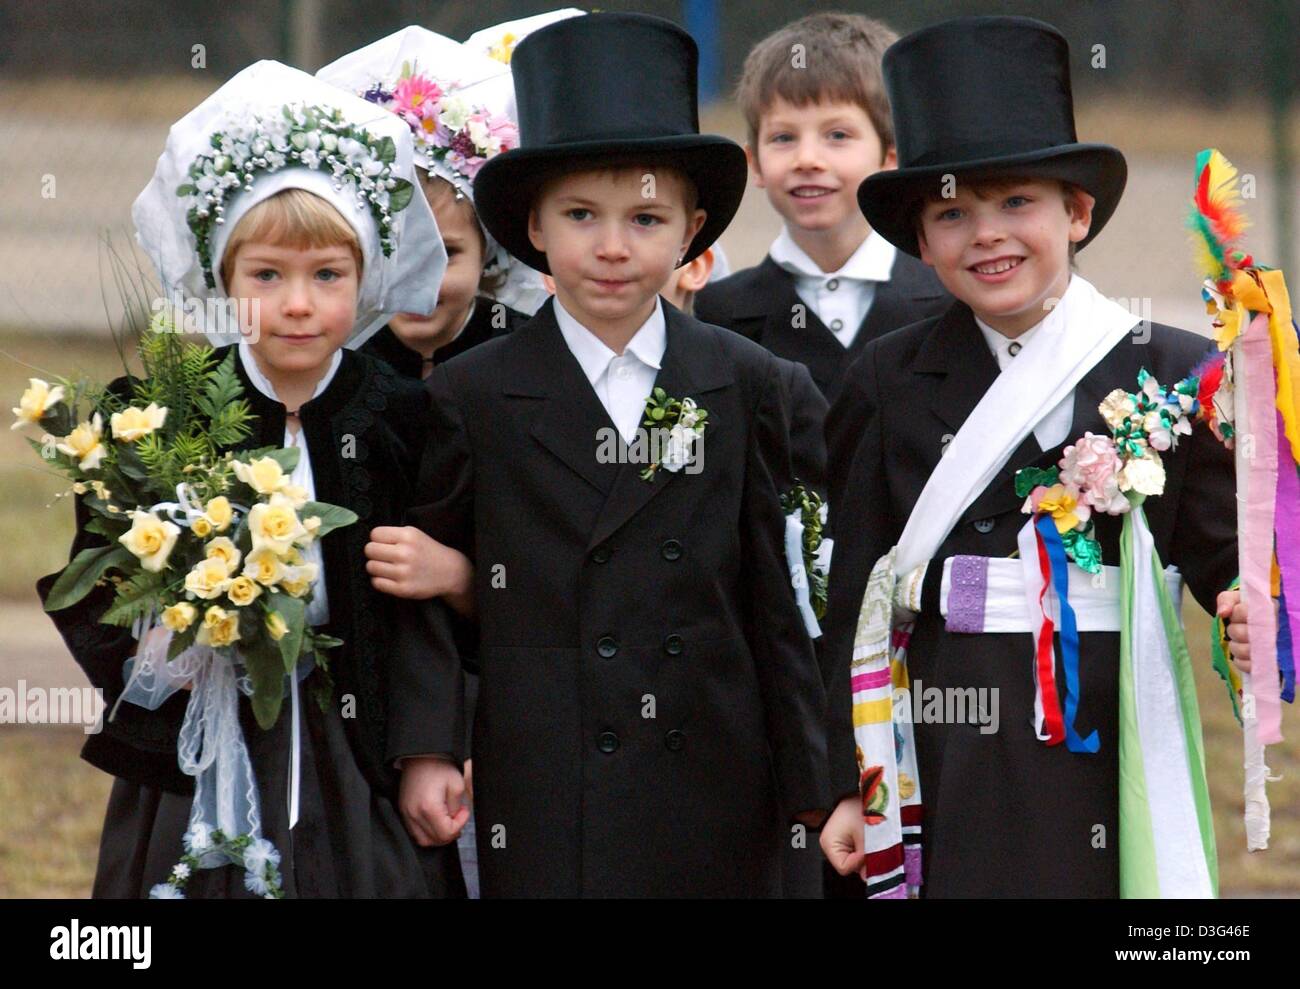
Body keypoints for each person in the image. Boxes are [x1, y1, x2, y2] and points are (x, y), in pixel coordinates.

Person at [396, 12, 830, 897]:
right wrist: (429, 745)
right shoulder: (473, 394)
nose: (612, 246)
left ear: (692, 231)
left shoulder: (755, 387)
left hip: (718, 776)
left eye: (644, 217)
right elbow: (426, 605)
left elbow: (789, 603)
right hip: (550, 779)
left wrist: (818, 785)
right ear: (535, 228)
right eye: (581, 215)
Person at [817, 16, 1245, 898]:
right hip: (940, 728)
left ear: (1076, 211)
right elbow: (851, 593)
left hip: (1107, 729)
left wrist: (1246, 594)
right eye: (951, 214)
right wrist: (840, 782)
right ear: (922, 241)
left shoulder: (1168, 369)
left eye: (1017, 203)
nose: (987, 235)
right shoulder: (887, 378)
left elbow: (1216, 543)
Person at [38, 60, 467, 897]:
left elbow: (423, 624)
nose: (297, 304)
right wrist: (163, 633)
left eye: (326, 276)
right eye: (266, 276)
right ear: (221, 279)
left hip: (355, 748)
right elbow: (101, 578)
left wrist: (427, 751)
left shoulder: (405, 418)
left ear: (367, 276)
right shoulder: (163, 415)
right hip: (198, 748)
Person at [694, 11, 949, 408]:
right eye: (783, 137)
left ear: (890, 157)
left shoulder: (951, 296)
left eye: (837, 135)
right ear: (756, 164)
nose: (807, 158)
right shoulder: (717, 312)